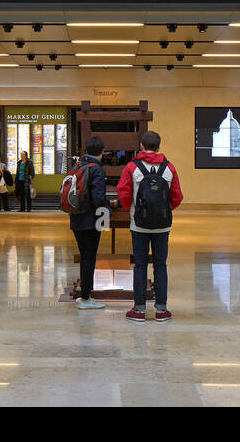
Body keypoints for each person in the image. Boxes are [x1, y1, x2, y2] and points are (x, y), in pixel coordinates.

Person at [117, 130, 183, 323]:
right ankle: (161, 310)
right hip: (163, 227)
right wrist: (164, 210)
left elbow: (124, 193)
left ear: (142, 147)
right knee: (161, 266)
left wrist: (134, 210)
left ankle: (139, 311)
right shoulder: (169, 168)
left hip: (139, 226)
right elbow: (177, 197)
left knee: (140, 266)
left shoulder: (131, 167)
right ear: (159, 147)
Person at [70, 136, 109, 310]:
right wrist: (111, 205)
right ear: (102, 152)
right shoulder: (97, 170)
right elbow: (98, 199)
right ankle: (86, 298)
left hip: (76, 217)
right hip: (91, 219)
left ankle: (85, 295)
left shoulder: (77, 166)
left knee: (84, 256)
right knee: (90, 257)